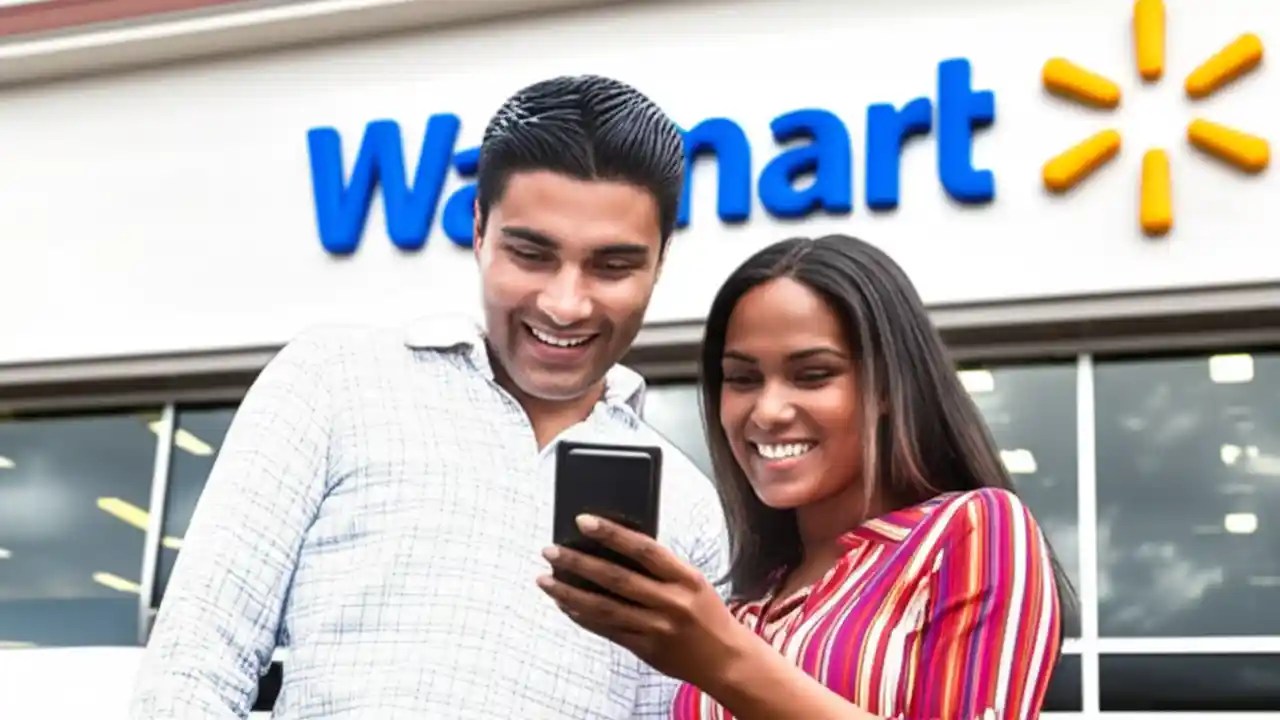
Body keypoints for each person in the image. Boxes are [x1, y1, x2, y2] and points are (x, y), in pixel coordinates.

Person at [129, 74, 728, 719]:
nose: (565, 304)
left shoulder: (690, 510)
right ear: (478, 229)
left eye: (613, 267)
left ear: (661, 261)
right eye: (530, 254)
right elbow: (193, 667)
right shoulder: (334, 382)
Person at [537, 234, 1072, 719]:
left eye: (813, 376)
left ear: (887, 386)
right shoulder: (743, 601)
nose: (767, 411)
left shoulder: (972, 532)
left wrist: (721, 657)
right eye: (742, 379)